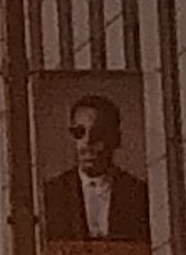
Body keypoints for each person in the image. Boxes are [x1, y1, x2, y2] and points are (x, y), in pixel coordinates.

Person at [42, 91, 152, 241]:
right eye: (79, 132)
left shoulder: (140, 195)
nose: (87, 142)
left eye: (98, 132)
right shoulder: (51, 195)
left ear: (116, 138)